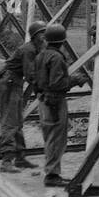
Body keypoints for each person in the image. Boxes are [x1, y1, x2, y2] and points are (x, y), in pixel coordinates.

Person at [35, 23, 91, 187]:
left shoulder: (41, 55)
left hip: (44, 100)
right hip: (54, 102)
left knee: (50, 137)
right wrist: (75, 80)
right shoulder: (57, 58)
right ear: (62, 41)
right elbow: (58, 83)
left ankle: (52, 171)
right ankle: (52, 175)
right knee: (56, 139)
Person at [0, 20, 47, 171]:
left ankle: (20, 157)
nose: (44, 37)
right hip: (9, 82)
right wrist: (41, 89)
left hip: (14, 82)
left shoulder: (35, 48)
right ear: (34, 36)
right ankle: (6, 161)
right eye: (42, 34)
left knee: (18, 121)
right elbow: (30, 75)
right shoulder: (28, 50)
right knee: (10, 121)